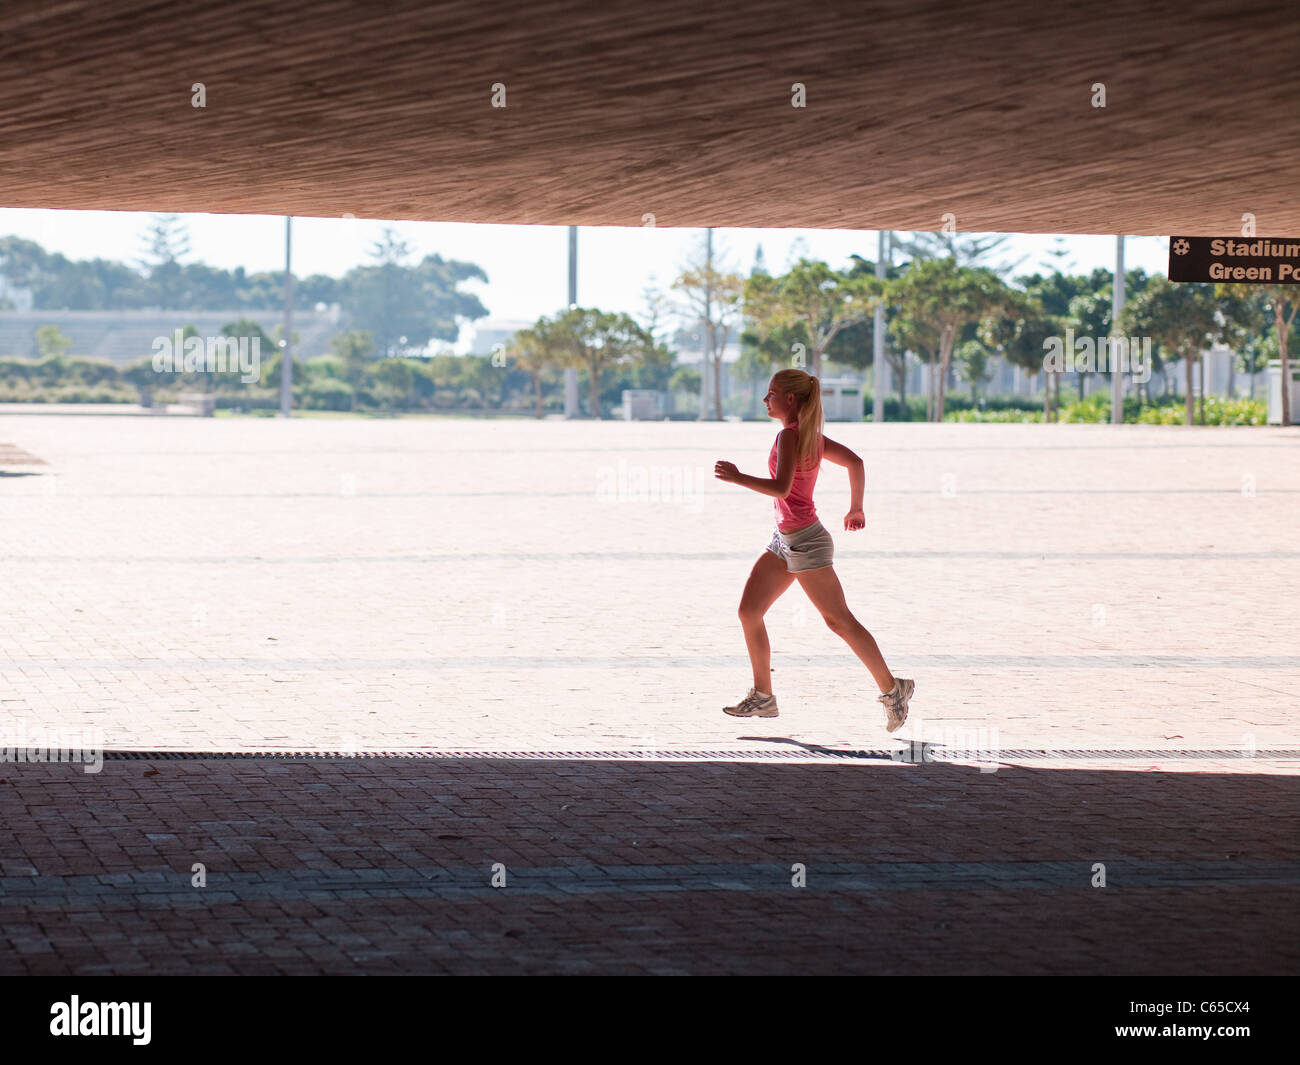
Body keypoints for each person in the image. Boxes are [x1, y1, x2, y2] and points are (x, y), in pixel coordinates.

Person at [713, 368, 913, 732]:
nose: (765, 399)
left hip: (806, 541)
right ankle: (763, 696)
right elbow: (855, 463)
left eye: (771, 393)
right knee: (749, 611)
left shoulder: (790, 437)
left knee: (839, 621)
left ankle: (893, 689)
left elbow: (781, 487)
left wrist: (737, 476)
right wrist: (856, 507)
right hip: (784, 540)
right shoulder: (810, 436)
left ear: (790, 399)